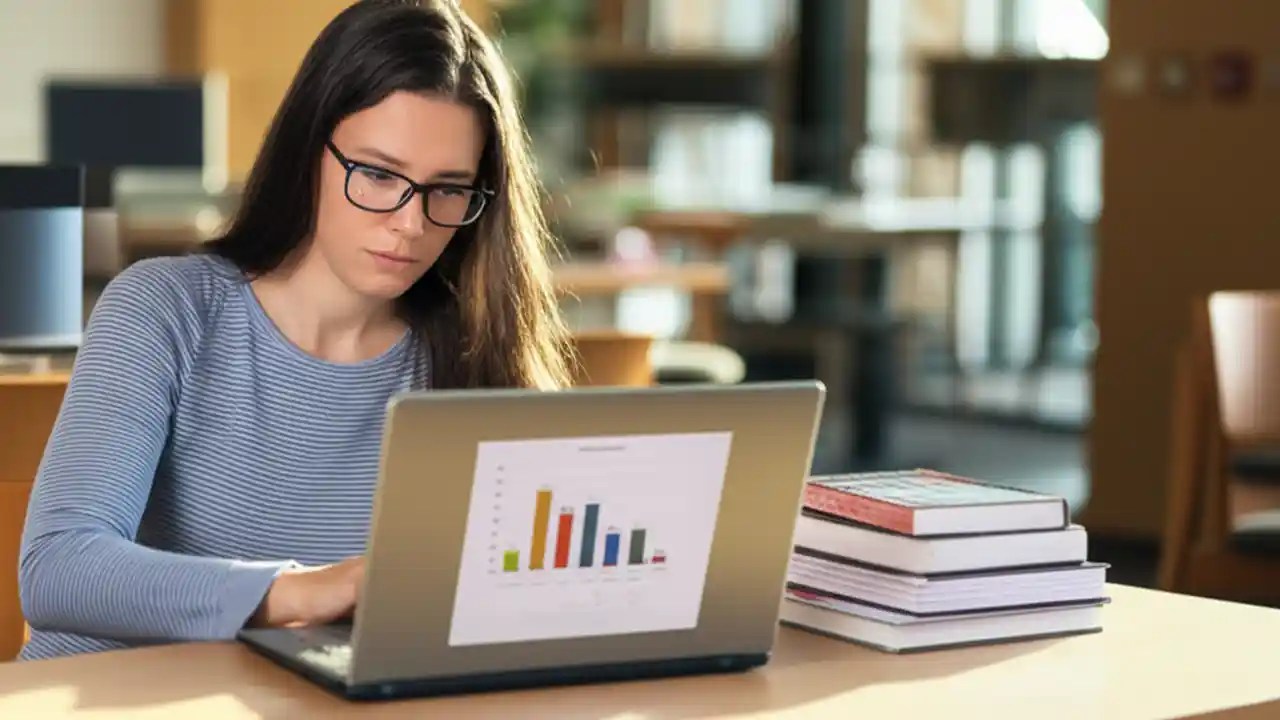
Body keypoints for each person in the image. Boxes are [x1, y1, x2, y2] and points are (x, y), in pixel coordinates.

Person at [18, 0, 573, 660]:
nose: (411, 223)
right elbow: (59, 569)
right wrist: (301, 593)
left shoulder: (472, 359)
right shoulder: (164, 309)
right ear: (309, 151)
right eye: (377, 173)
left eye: (448, 188)